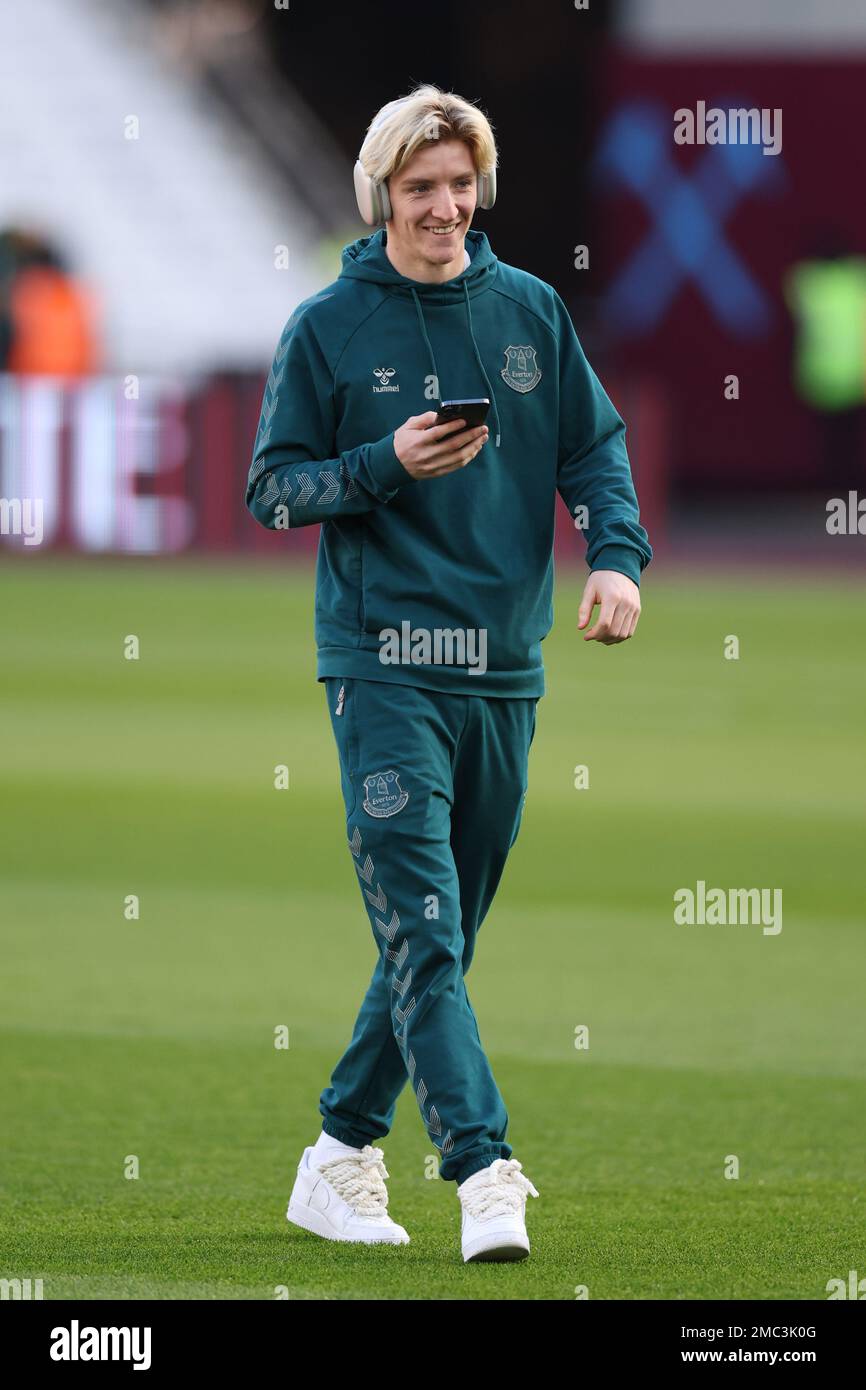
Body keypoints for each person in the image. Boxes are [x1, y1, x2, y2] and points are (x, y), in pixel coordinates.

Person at [246, 84, 652, 1263]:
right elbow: (274, 488)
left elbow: (594, 446)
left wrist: (615, 559)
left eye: (459, 184)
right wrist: (383, 460)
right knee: (425, 931)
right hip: (381, 669)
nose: (444, 206)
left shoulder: (526, 309)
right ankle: (482, 1167)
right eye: (420, 187)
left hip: (502, 669)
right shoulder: (326, 326)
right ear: (381, 195)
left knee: (437, 936)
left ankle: (336, 1152)